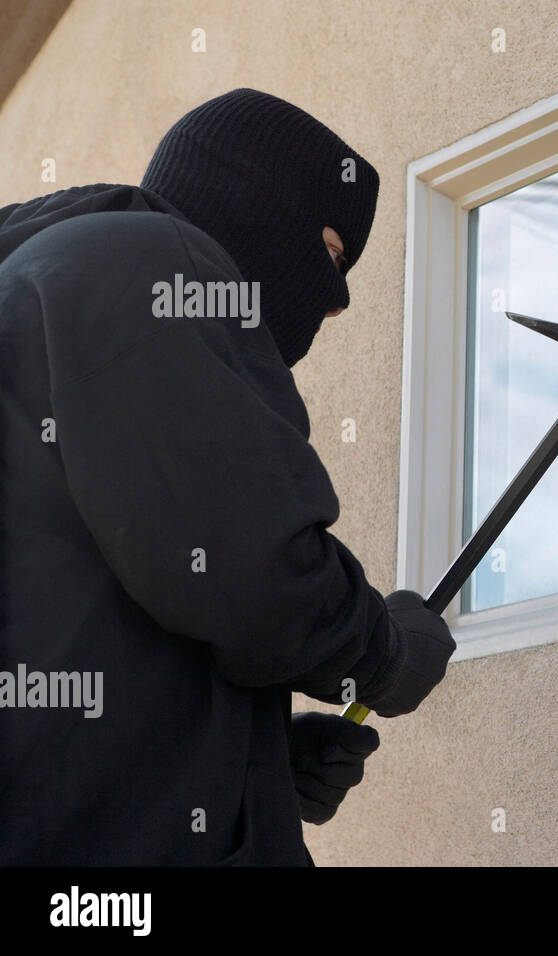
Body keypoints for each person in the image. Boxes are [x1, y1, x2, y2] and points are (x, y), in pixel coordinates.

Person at [0, 88, 455, 865]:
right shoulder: (152, 269)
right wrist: (382, 652)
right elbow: (248, 571)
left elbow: (92, 616)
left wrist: (256, 761)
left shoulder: (54, 278)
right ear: (261, 205)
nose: (335, 303)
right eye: (334, 255)